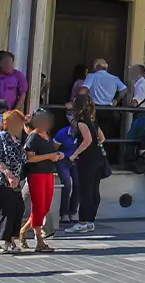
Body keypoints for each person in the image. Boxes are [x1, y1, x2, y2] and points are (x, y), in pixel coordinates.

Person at [0, 109, 28, 254]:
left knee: (17, 208)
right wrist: (8, 174)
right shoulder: (0, 137)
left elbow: (24, 159)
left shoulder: (17, 140)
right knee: (3, 210)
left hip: (14, 182)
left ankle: (9, 240)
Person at [63, 94, 107, 234]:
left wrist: (74, 155)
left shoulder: (81, 121)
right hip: (98, 158)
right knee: (94, 190)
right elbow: (102, 138)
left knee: (86, 191)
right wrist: (96, 144)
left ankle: (82, 222)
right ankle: (90, 221)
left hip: (88, 160)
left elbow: (87, 140)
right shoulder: (93, 120)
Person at [18, 110, 62, 252]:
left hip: (49, 173)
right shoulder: (33, 136)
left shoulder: (47, 136)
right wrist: (50, 156)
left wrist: (56, 155)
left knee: (45, 208)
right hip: (36, 174)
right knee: (38, 206)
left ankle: (23, 231)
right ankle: (39, 241)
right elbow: (30, 158)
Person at [81, 60, 128, 138]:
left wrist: (77, 101)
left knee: (93, 134)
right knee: (106, 134)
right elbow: (124, 89)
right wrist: (116, 100)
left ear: (96, 67)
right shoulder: (115, 78)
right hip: (109, 109)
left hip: (94, 109)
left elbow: (83, 91)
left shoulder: (91, 76)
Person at [53, 107, 80, 224]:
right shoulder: (62, 133)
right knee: (67, 185)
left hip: (77, 161)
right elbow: (54, 149)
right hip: (64, 161)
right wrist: (61, 154)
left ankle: (73, 212)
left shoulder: (83, 132)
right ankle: (64, 213)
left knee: (78, 185)